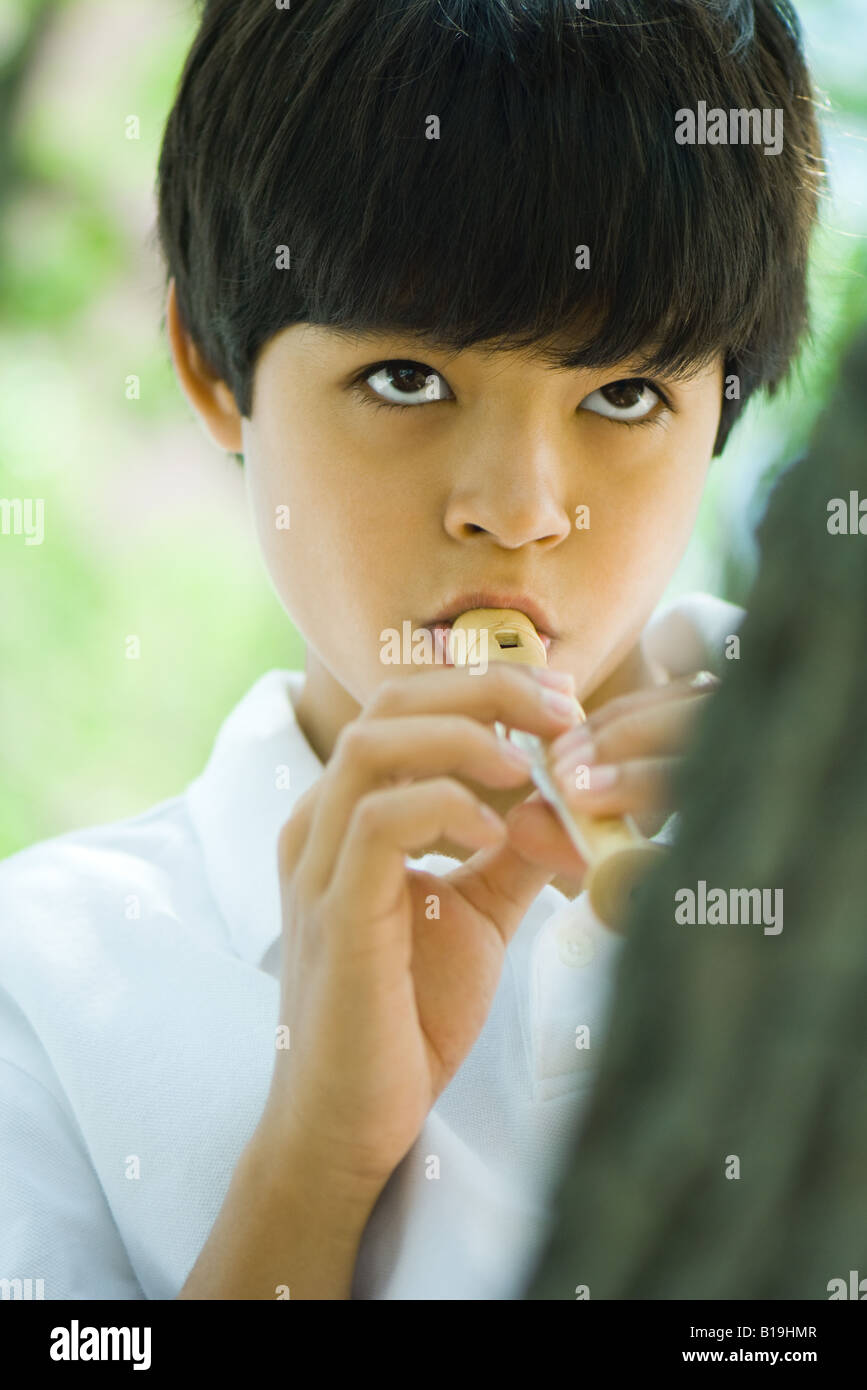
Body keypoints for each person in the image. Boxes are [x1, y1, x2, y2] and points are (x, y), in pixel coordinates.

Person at [0, 0, 823, 1300]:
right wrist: (317, 1159)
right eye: (406, 381)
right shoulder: (48, 976)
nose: (518, 506)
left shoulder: (828, 809)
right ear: (214, 371)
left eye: (622, 395)